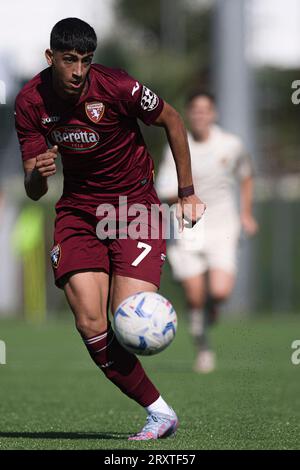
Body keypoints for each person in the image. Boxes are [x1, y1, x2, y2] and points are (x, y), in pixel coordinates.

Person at [14, 18, 205, 440]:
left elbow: (172, 119)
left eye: (85, 60)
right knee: (90, 323)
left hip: (134, 206)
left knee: (127, 321)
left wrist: (187, 192)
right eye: (68, 60)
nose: (78, 71)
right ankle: (160, 412)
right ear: (51, 58)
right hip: (78, 212)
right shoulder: (29, 101)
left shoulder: (118, 87)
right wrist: (38, 175)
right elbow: (33, 189)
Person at [156, 91, 258, 373]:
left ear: (214, 114)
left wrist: (246, 213)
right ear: (189, 114)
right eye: (196, 110)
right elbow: (164, 191)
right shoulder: (177, 145)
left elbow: (247, 174)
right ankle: (203, 348)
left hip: (222, 227)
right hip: (188, 227)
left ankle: (210, 307)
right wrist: (186, 199)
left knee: (220, 291)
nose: (201, 115)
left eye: (206, 110)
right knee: (194, 296)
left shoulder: (231, 145)